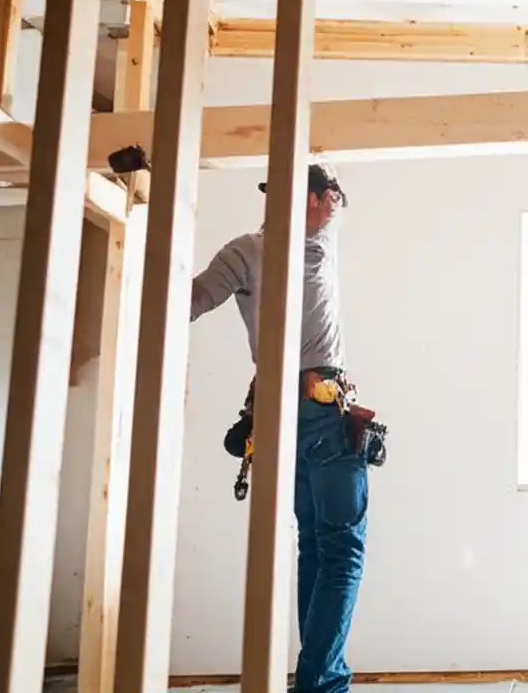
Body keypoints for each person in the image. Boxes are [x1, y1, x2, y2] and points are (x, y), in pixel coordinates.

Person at [190, 163, 365, 693]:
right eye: (330, 195)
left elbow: (188, 301)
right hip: (317, 409)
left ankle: (314, 678)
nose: (337, 204)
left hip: (276, 412)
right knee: (341, 549)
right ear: (310, 200)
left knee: (315, 544)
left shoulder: (249, 251)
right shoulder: (293, 246)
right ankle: (319, 685)